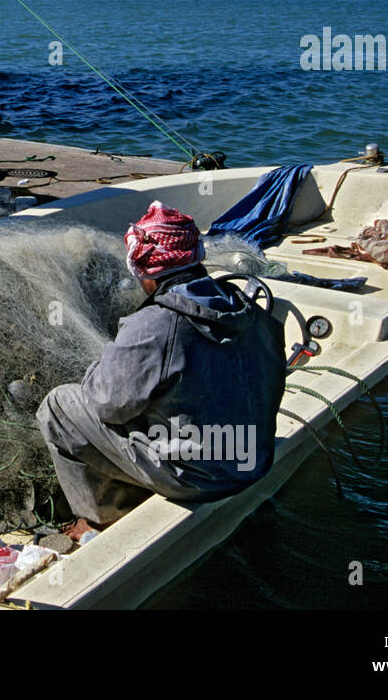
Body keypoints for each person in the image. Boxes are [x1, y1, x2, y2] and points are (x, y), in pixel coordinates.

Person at [37, 201, 286, 538]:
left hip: (200, 478)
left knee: (58, 406)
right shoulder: (244, 307)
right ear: (196, 256)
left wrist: (106, 362)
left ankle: (101, 518)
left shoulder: (154, 324)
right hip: (253, 459)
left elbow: (104, 403)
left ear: (144, 270)